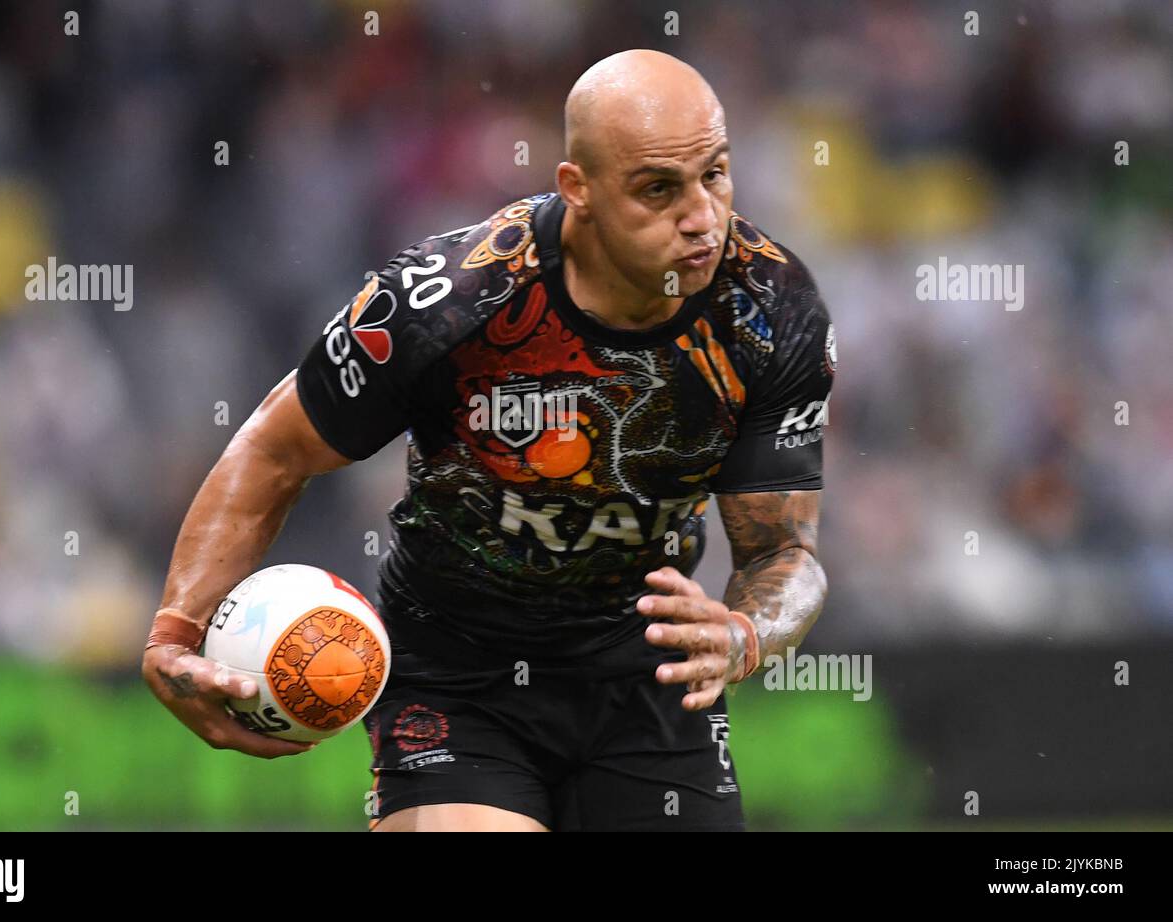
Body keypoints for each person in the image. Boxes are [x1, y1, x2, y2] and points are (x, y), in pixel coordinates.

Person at [142, 49, 835, 832]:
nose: (703, 217)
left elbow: (785, 556)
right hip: (457, 678)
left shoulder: (771, 312)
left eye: (715, 174)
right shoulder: (447, 299)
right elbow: (276, 450)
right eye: (658, 190)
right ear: (578, 191)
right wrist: (176, 630)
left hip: (647, 678)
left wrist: (743, 634)